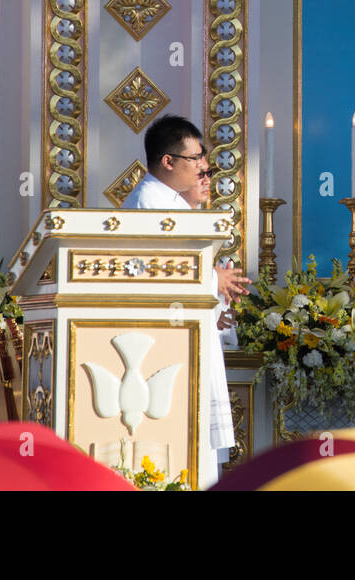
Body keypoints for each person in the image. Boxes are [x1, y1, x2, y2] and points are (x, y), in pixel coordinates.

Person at [122, 114, 250, 473]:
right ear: (168, 161)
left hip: (186, 332)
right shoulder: (150, 200)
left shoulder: (172, 201)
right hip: (166, 340)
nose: (202, 169)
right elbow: (156, 270)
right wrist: (214, 280)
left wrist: (216, 292)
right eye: (195, 159)